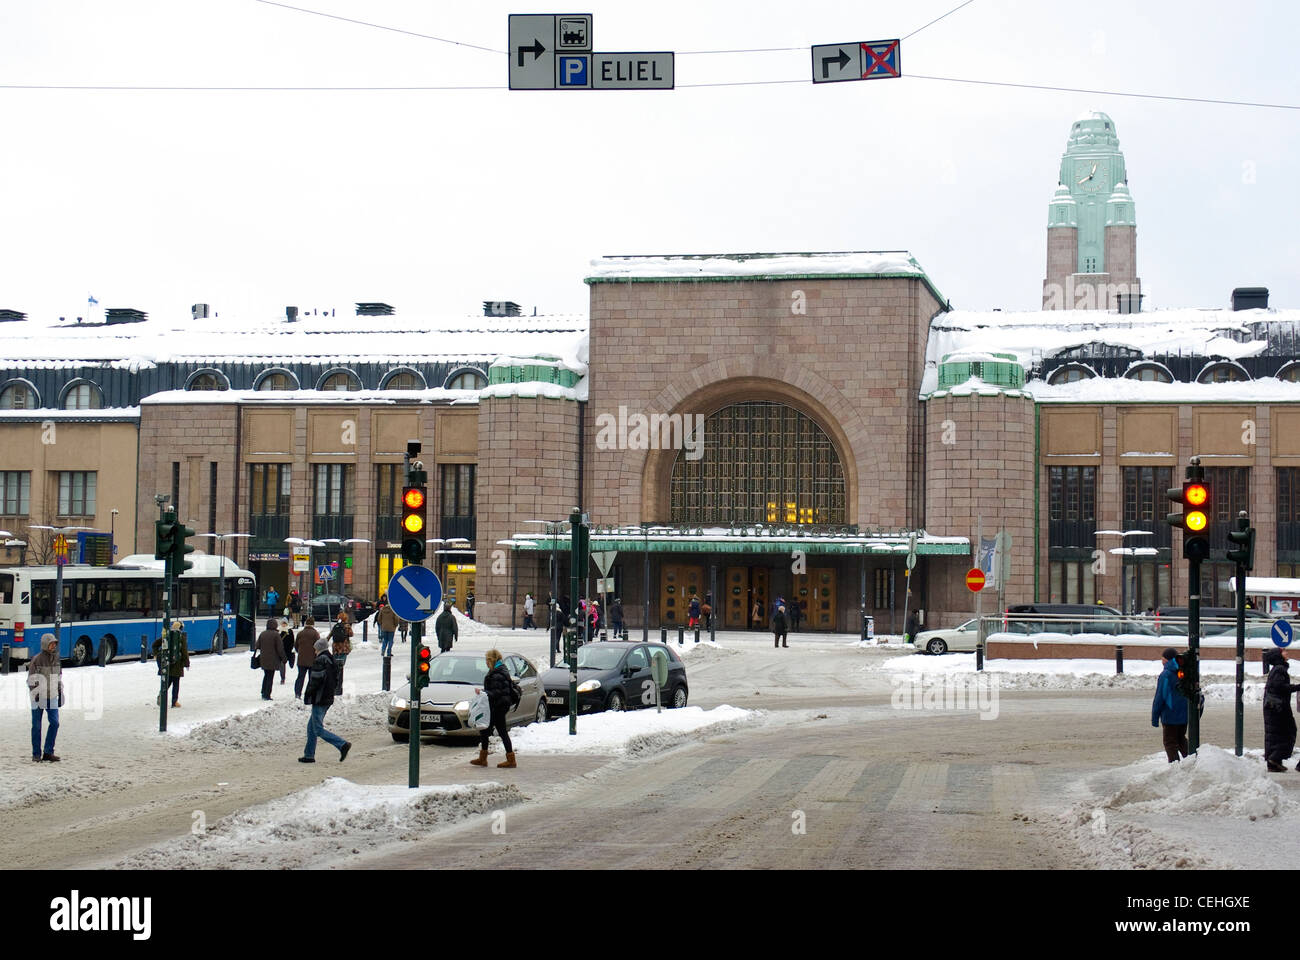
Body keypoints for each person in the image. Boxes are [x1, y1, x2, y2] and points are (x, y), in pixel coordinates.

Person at [300, 634, 350, 764]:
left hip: (319, 698)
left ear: (319, 649)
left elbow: (315, 681)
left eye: (315, 649)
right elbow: (336, 679)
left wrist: (308, 694)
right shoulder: (331, 659)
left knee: (317, 729)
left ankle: (342, 744)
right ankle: (309, 755)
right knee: (311, 727)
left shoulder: (320, 660)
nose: (314, 651)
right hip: (327, 697)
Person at [470, 647, 520, 769]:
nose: (486, 663)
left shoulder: (497, 673)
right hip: (498, 705)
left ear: (492, 660)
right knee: (485, 730)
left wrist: (483, 693)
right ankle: (484, 758)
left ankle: (509, 760)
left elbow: (496, 692)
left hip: (498, 706)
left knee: (499, 731)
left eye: (487, 660)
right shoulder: (499, 670)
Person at [26, 633, 63, 762]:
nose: (54, 645)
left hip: (52, 695)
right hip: (38, 697)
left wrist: (60, 692)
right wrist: (35, 693)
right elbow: (31, 679)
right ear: (45, 645)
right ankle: (36, 754)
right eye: (51, 643)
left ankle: (48, 752)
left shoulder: (57, 659)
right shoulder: (37, 660)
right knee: (36, 726)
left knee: (55, 723)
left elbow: (58, 677)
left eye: (55, 643)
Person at [1263, 648, 1300, 772]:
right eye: (1283, 652)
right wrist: (1297, 687)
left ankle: (1273, 763)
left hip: (1273, 707)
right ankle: (1275, 757)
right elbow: (1280, 687)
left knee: (1275, 734)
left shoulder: (1277, 669)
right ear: (1278, 656)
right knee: (1288, 732)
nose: (1286, 653)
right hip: (1279, 708)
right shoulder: (1280, 669)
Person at [1150, 647, 1189, 763]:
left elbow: (1160, 697)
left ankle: (1174, 765)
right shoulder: (1184, 671)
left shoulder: (1166, 675)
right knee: (1181, 738)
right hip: (1184, 715)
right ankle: (1192, 759)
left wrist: (1155, 717)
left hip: (1170, 715)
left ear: (1166, 660)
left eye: (1162, 659)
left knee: (1170, 742)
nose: (1161, 661)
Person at [151, 620, 190, 708]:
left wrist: (156, 654)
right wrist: (187, 663)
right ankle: (174, 701)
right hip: (177, 665)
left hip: (167, 664)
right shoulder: (181, 637)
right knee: (176, 684)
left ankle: (161, 696)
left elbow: (154, 645)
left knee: (167, 683)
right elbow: (184, 651)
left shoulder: (167, 636)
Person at [257, 618, 285, 701]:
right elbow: (280, 649)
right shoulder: (276, 635)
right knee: (270, 677)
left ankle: (263, 692)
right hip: (273, 659)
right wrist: (284, 658)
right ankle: (267, 694)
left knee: (266, 675)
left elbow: (257, 645)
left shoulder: (262, 634)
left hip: (263, 659)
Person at [294, 616, 319, 699]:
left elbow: (296, 646)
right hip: (312, 660)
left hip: (301, 659)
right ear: (313, 624)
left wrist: (300, 652)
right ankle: (310, 694)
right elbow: (318, 647)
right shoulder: (315, 634)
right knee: (311, 678)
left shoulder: (300, 633)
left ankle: (297, 693)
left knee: (300, 677)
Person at [329, 611, 352, 695]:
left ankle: (335, 687)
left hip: (335, 648)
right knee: (341, 667)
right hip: (344, 648)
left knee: (335, 667)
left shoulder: (336, 626)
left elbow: (330, 635)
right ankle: (339, 688)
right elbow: (351, 634)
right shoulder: (347, 626)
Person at [279, 620, 296, 685]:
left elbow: (292, 641)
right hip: (280, 651)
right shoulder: (278, 630)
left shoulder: (290, 631)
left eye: (285, 623)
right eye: (282, 623)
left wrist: (291, 648)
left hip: (287, 651)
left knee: (282, 664)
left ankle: (282, 678)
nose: (283, 625)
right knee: (282, 665)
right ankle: (282, 678)